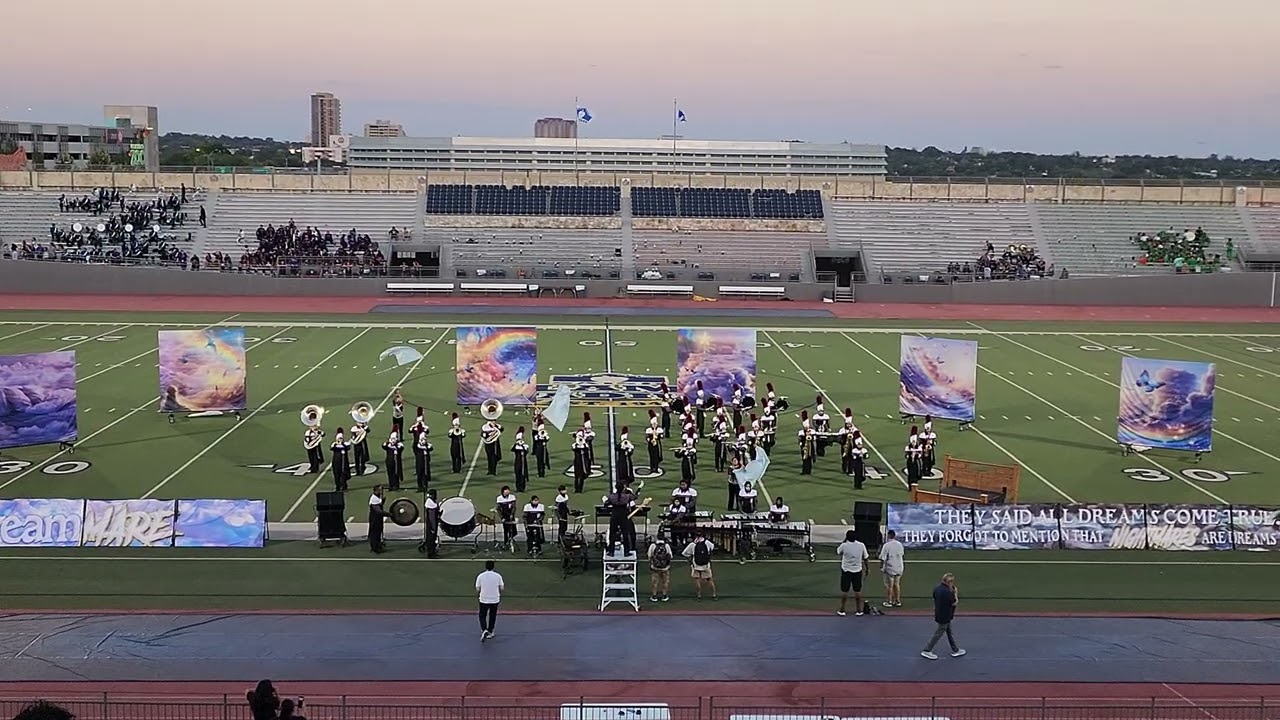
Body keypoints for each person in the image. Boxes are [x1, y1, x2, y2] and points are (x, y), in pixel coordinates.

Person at [921, 573, 966, 660]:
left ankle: (955, 649)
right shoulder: (947, 592)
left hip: (939, 613)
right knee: (939, 633)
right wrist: (955, 593)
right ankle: (927, 650)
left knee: (949, 632)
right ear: (950, 582)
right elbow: (954, 602)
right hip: (945, 615)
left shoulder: (937, 588)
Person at [836, 529, 868, 616]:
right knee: (857, 590)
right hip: (857, 570)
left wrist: (844, 542)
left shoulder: (844, 545)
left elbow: (838, 551)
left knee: (845, 591)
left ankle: (842, 610)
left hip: (846, 570)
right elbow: (865, 558)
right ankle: (859, 610)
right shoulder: (861, 545)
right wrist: (867, 569)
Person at [682, 532, 717, 600]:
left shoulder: (693, 544)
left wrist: (690, 561)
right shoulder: (707, 542)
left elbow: (684, 553)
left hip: (696, 565)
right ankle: (714, 595)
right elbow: (712, 548)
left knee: (697, 580)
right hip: (706, 565)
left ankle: (699, 595)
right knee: (709, 579)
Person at [476, 559, 504, 641]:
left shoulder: (480, 576)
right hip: (494, 599)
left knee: (482, 615)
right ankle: (490, 631)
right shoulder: (498, 576)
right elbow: (502, 588)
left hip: (483, 599)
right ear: (493, 567)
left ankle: (484, 629)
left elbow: (477, 588)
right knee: (492, 616)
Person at [879, 529, 905, 607]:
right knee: (897, 584)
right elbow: (902, 554)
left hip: (890, 567)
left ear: (889, 536)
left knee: (889, 585)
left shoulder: (887, 545)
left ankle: (889, 601)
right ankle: (897, 601)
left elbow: (883, 558)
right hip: (899, 567)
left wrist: (881, 566)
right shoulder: (899, 544)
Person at [648, 536, 673, 602]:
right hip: (665, 568)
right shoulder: (666, 546)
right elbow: (670, 555)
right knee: (665, 582)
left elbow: (649, 555)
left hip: (655, 567)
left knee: (654, 582)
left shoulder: (653, 545)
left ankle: (654, 596)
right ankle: (664, 595)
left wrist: (651, 563)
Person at [368, 486, 388, 554]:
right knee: (375, 533)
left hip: (378, 518)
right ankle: (375, 548)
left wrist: (383, 501)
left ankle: (378, 546)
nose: (381, 492)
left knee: (379, 532)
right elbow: (378, 511)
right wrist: (389, 514)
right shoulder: (374, 499)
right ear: (376, 491)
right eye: (379, 490)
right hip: (375, 518)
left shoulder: (378, 497)